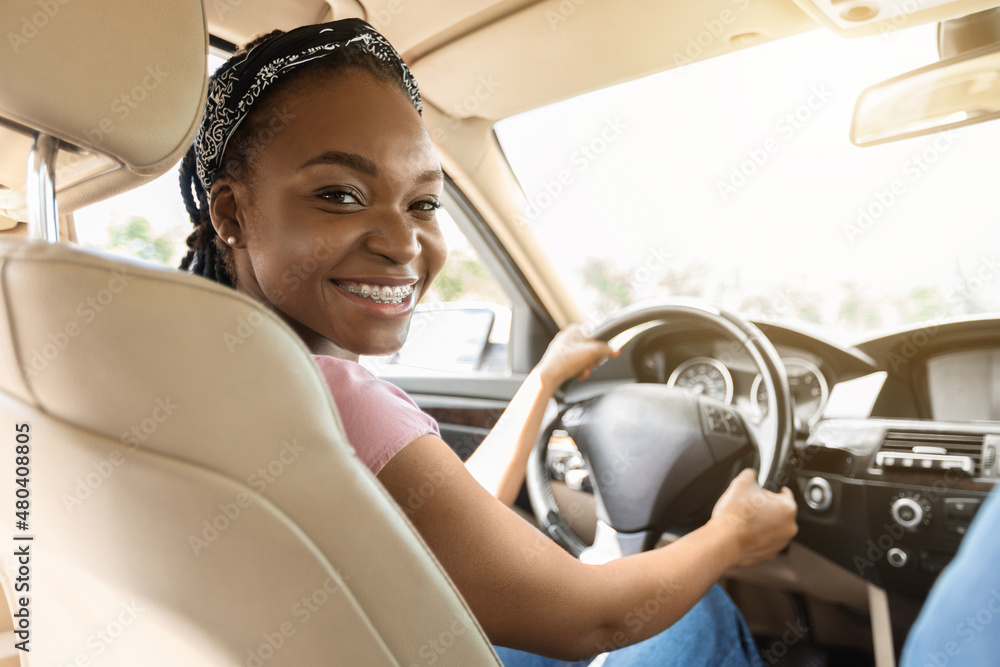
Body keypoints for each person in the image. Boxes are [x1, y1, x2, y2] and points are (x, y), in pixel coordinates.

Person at [178, 19, 798, 664]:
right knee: (696, 609)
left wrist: (542, 385)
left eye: (422, 204)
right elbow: (594, 620)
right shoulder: (334, 401)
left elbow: (431, 521)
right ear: (231, 214)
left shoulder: (207, 375)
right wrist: (731, 535)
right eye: (340, 195)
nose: (403, 242)